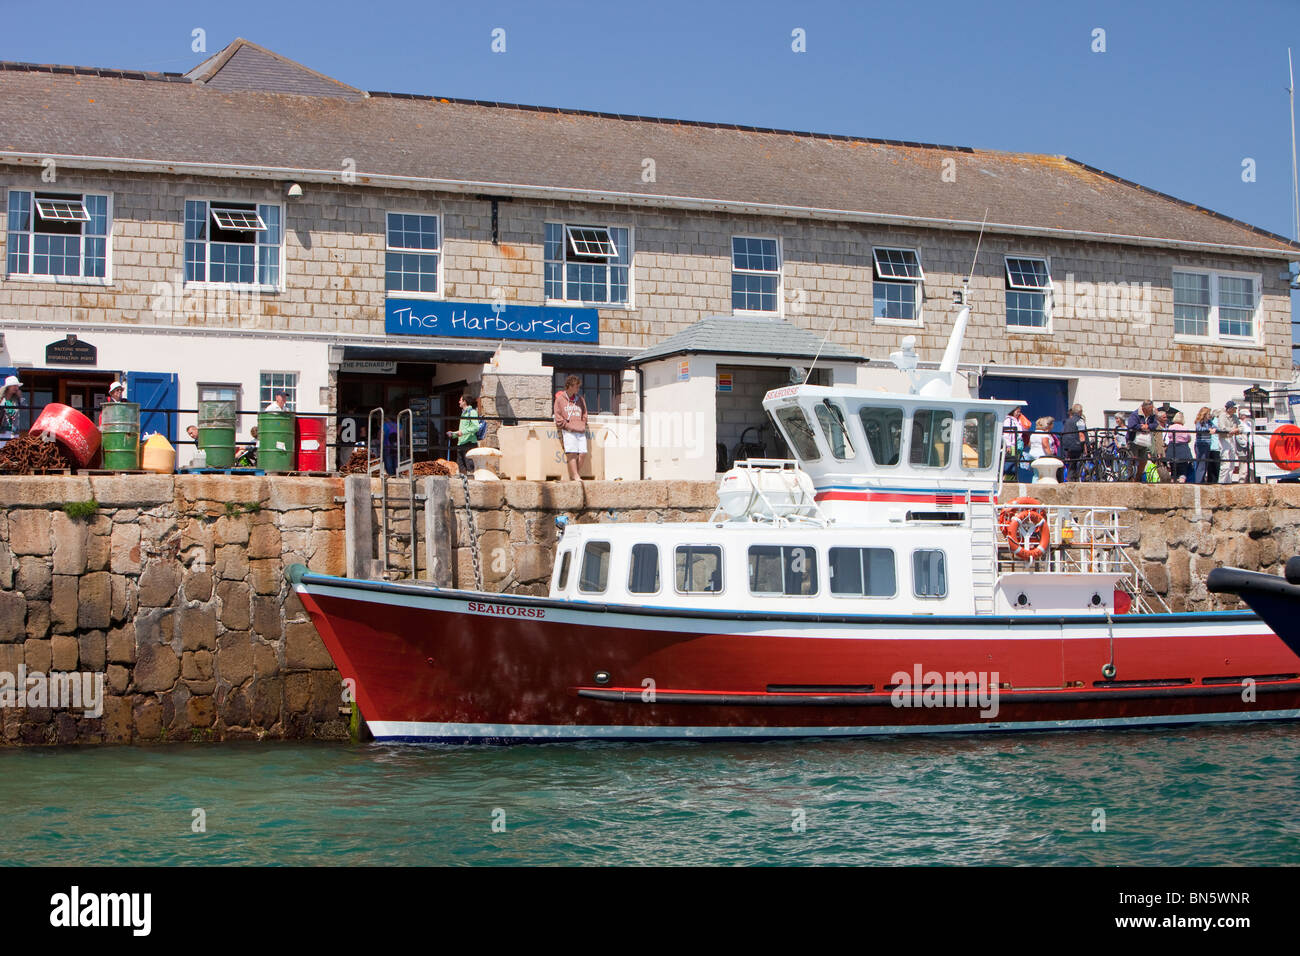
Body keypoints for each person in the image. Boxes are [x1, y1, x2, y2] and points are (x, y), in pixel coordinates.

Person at [553, 375, 589, 481]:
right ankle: (576, 476)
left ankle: (574, 474)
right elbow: (558, 416)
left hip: (580, 430)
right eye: (576, 386)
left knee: (583, 453)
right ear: (570, 386)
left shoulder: (580, 399)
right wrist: (567, 426)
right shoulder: (560, 400)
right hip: (568, 430)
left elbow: (585, 413)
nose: (578, 389)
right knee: (572, 453)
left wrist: (583, 423)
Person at [446, 395, 479, 472]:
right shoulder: (463, 413)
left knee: (470, 467)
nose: (459, 402)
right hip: (461, 444)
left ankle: (472, 483)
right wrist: (453, 434)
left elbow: (476, 427)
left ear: (465, 401)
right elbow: (462, 430)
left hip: (469, 443)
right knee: (461, 468)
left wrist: (462, 432)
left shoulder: (472, 412)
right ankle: (463, 483)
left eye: (460, 400)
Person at [1126, 400, 1158, 480]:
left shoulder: (1152, 416)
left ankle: (1138, 477)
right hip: (1134, 441)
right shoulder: (1135, 414)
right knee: (1133, 459)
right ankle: (1130, 478)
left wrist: (1148, 426)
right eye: (1150, 408)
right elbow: (1131, 425)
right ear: (1144, 408)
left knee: (1143, 461)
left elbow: (1155, 425)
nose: (1152, 410)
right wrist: (1141, 427)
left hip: (1144, 441)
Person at [1060, 403, 1088, 482]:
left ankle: (1070, 480)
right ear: (1080, 411)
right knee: (1077, 464)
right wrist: (1086, 447)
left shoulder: (1067, 421)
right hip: (1077, 445)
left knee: (1071, 464)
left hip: (1068, 446)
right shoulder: (1080, 421)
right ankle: (1075, 481)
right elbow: (1081, 434)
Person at [1217, 401, 1242, 484]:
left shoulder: (1234, 416)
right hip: (1224, 439)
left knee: (1232, 462)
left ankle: (1228, 481)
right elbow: (1222, 428)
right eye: (1235, 408)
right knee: (1225, 462)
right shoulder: (1222, 416)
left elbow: (1241, 427)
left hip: (1231, 439)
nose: (1236, 409)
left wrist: (1236, 430)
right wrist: (1233, 430)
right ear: (1230, 408)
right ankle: (1222, 482)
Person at [1167, 411, 1194, 483]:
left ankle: (1173, 481)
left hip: (1172, 448)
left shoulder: (1170, 427)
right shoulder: (1184, 428)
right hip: (1182, 449)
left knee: (1173, 468)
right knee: (1183, 469)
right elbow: (1188, 439)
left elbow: (1169, 437)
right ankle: (1181, 482)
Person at [1193, 406, 1214, 484]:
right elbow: (1199, 429)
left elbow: (1215, 427)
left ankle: (1201, 479)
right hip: (1201, 444)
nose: (1210, 415)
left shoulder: (1209, 422)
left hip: (1207, 444)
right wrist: (1208, 430)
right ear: (1204, 414)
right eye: (1208, 414)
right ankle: (1198, 481)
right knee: (1201, 463)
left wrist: (1214, 429)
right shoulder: (1199, 422)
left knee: (1205, 463)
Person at [0, 375, 23, 447]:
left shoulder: (16, 399)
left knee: (12, 453)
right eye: (14, 385)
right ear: (8, 387)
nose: (16, 388)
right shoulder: (1, 399)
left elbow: (25, 408)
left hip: (14, 431)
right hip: (3, 430)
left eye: (17, 386)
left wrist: (20, 397)